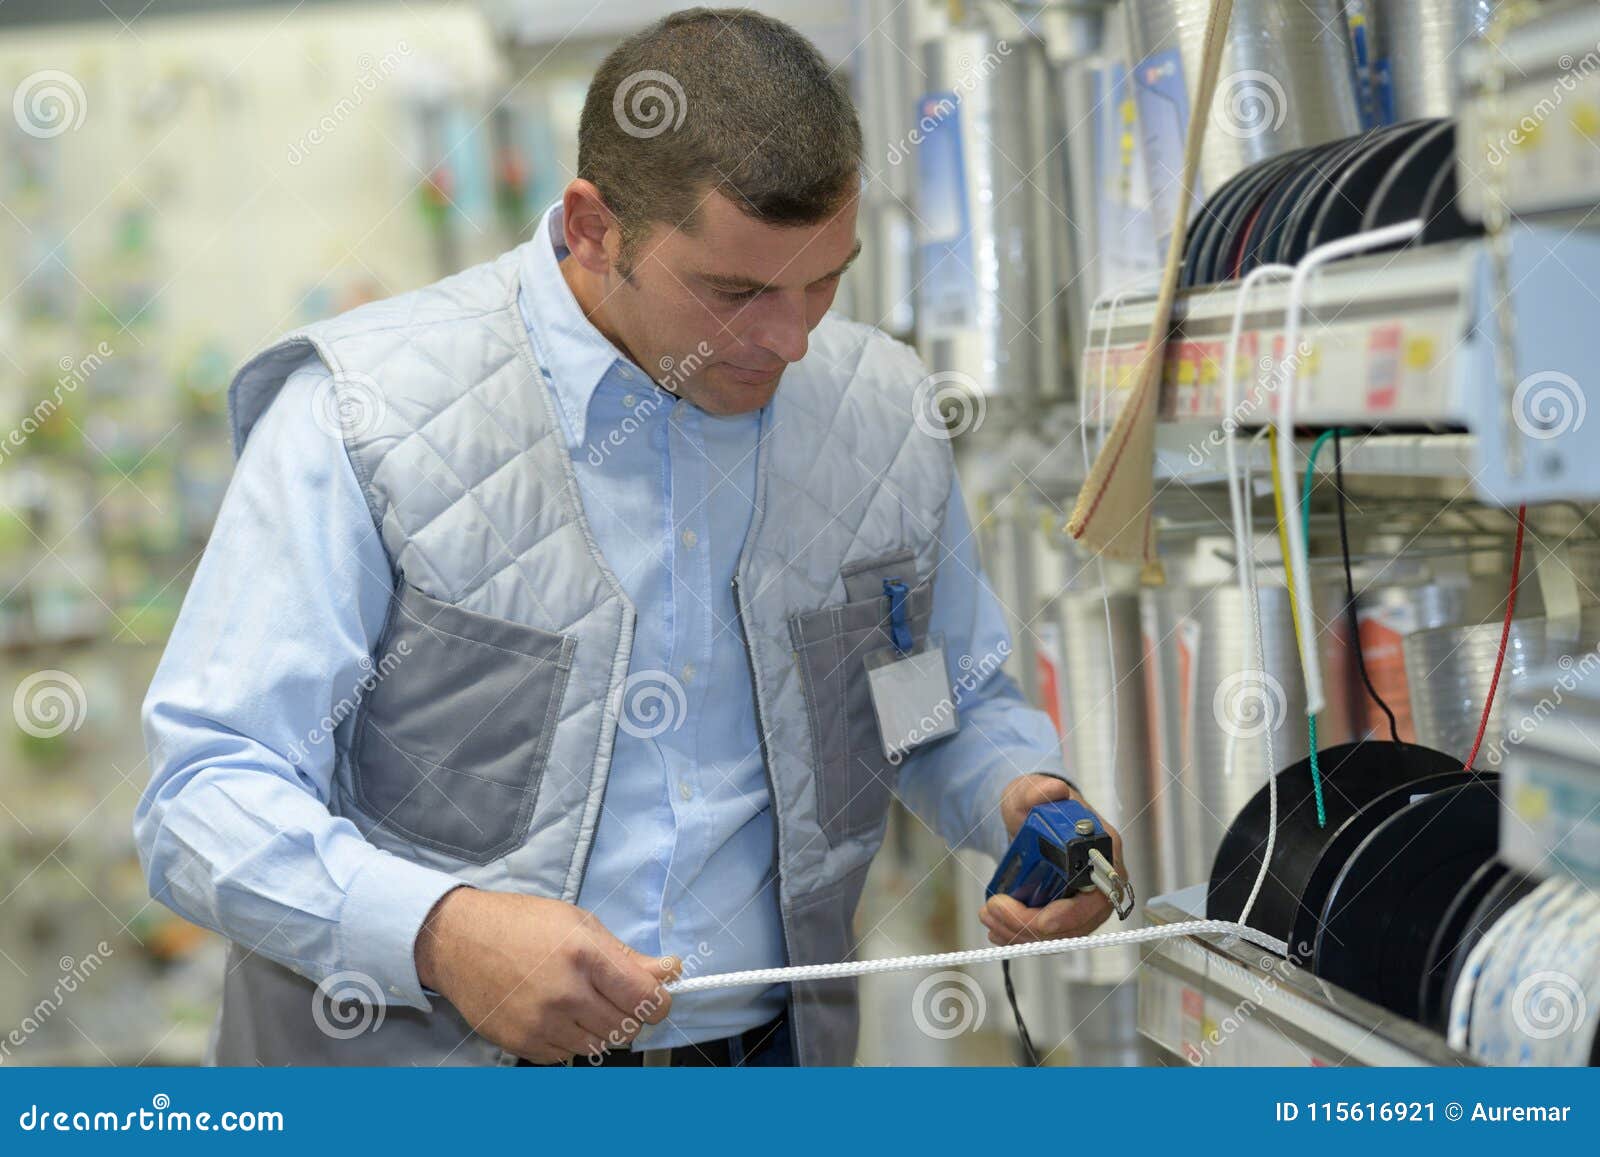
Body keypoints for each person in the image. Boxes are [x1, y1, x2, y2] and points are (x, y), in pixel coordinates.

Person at [136, 6, 1123, 1068]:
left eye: (824, 278)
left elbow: (922, 704)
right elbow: (202, 796)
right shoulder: (364, 416)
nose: (791, 340)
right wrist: (439, 930)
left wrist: (1016, 791)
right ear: (595, 226)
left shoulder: (876, 408)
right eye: (736, 292)